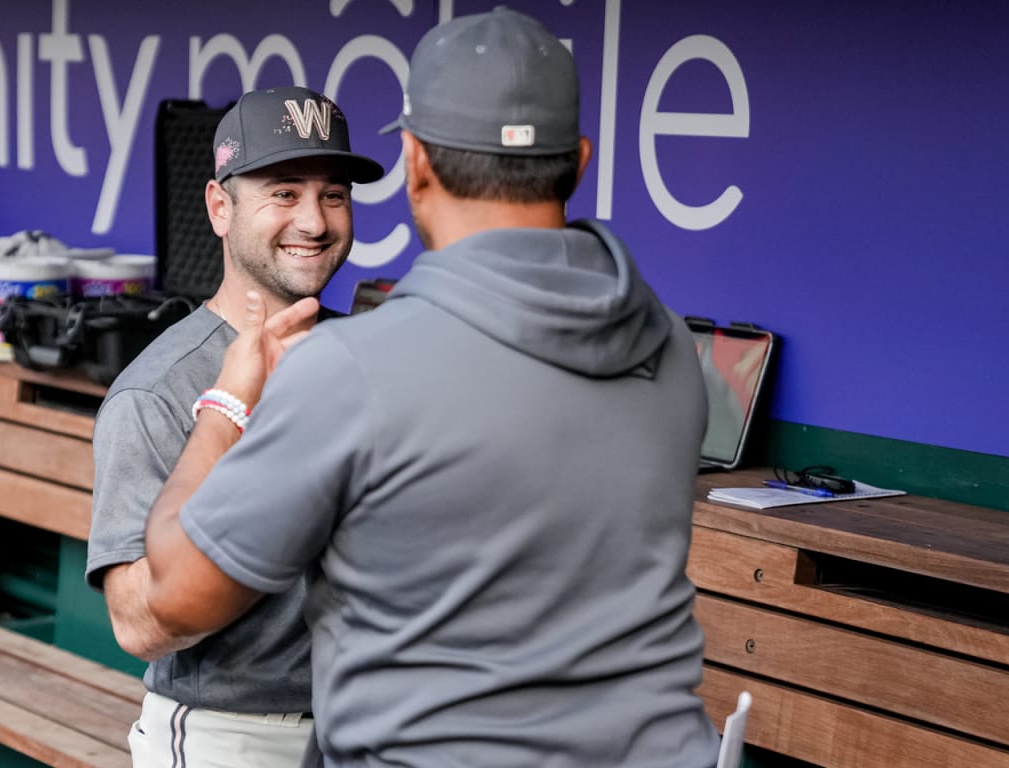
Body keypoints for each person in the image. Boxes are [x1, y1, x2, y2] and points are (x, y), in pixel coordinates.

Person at [140, 7, 723, 766]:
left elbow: (177, 593)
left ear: (414, 163)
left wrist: (224, 405)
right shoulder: (674, 351)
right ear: (578, 163)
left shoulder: (352, 367)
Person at [85, 85, 383, 767]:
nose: (314, 220)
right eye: (283, 192)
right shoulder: (159, 390)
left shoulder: (369, 356)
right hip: (238, 734)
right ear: (221, 207)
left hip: (367, 727)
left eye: (333, 194)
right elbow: (136, 624)